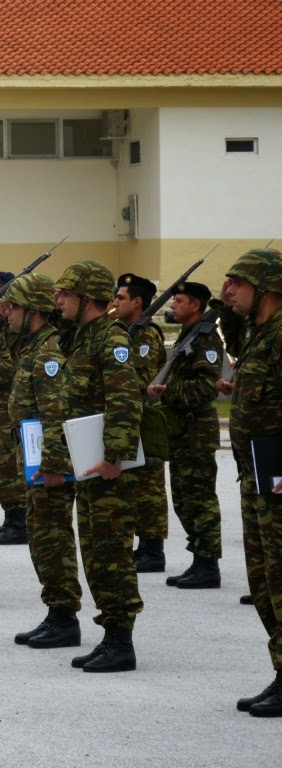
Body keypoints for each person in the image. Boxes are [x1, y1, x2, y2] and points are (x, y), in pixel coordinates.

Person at [55, 260, 143, 673]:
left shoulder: (111, 339)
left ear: (88, 299)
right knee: (93, 550)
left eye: (66, 294)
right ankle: (110, 633)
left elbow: (125, 400)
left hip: (107, 466)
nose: (59, 300)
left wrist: (115, 457)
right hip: (87, 462)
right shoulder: (81, 338)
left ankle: (122, 641)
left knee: (111, 551)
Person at [218, 249, 282, 717]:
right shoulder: (260, 335)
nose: (227, 290)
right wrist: (227, 308)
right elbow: (232, 336)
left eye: (236, 283)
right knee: (264, 584)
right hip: (256, 475)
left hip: (280, 478)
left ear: (266, 289)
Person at [5, 273, 82, 647]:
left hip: (48, 464)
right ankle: (55, 611)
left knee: (53, 538)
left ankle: (64, 617)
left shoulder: (48, 351)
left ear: (34, 309)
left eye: (14, 306)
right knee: (41, 537)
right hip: (34, 458)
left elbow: (55, 413)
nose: (7, 312)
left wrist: (52, 465)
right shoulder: (31, 345)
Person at [147, 281, 223, 589]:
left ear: (195, 305)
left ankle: (208, 564)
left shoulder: (206, 340)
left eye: (179, 301)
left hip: (196, 433)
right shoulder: (187, 336)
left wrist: (167, 392)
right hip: (180, 432)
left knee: (200, 500)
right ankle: (199, 559)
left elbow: (206, 388)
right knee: (183, 500)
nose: (172, 306)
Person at [110, 273, 169, 573]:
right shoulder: (125, 330)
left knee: (149, 488)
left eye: (121, 298)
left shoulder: (145, 335)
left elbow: (142, 379)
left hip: (145, 419)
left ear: (138, 302)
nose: (115, 302)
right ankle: (143, 546)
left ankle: (153, 549)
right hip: (131, 417)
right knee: (136, 486)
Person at [0, 270, 29, 546]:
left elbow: (10, 366)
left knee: (6, 466)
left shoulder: (17, 329)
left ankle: (19, 519)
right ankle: (12, 517)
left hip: (7, 411)